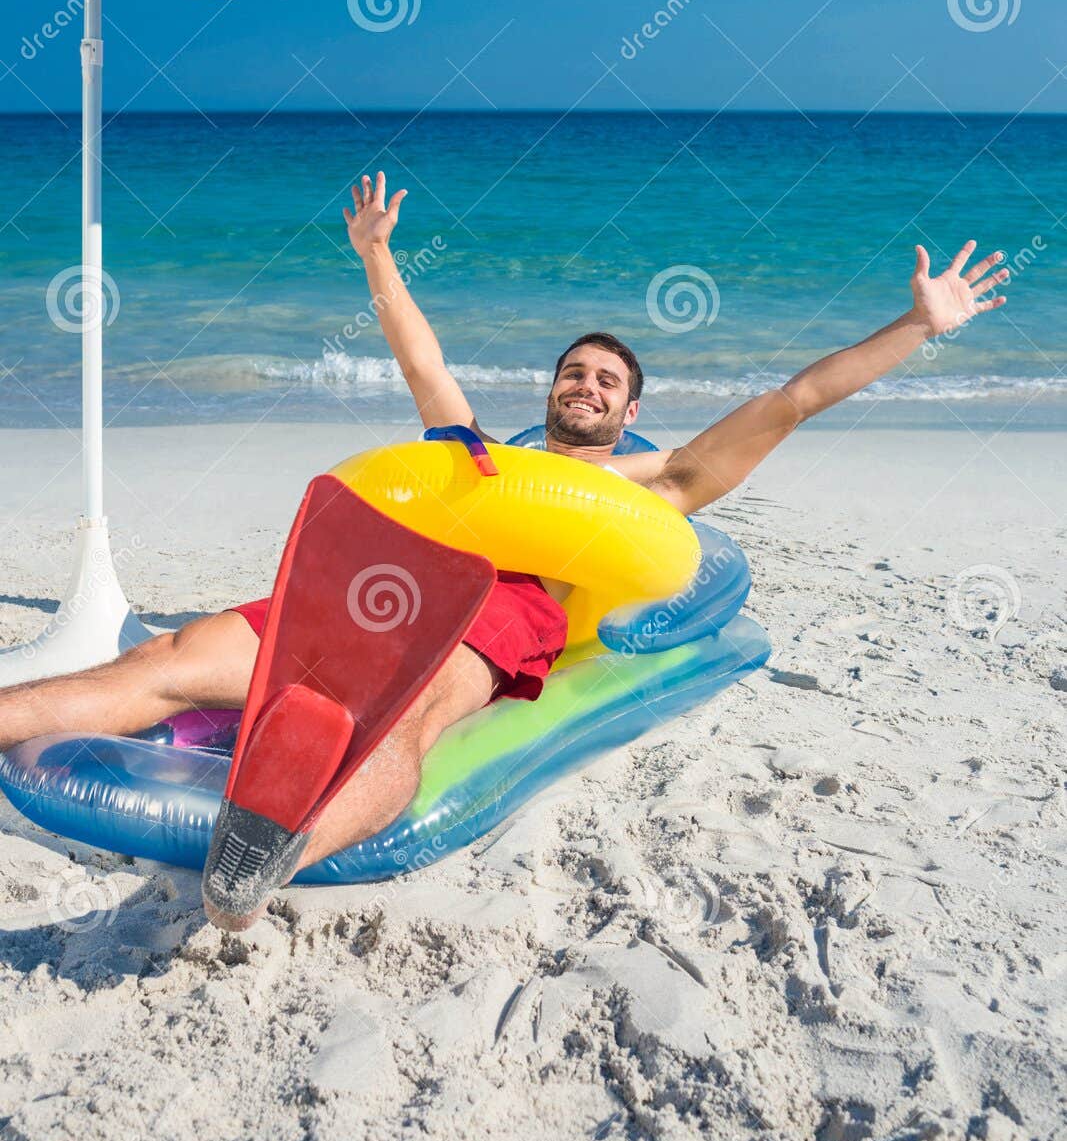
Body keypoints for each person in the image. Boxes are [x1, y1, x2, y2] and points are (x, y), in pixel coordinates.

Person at [0, 173, 1009, 929]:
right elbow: (419, 356)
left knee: (412, 712)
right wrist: (374, 255)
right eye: (573, 372)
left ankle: (264, 856)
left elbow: (789, 400)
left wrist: (914, 327)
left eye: (606, 379)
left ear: (631, 408)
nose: (585, 385)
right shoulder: (476, 457)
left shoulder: (649, 482)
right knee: (167, 660)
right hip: (379, 584)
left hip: (494, 611)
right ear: (550, 391)